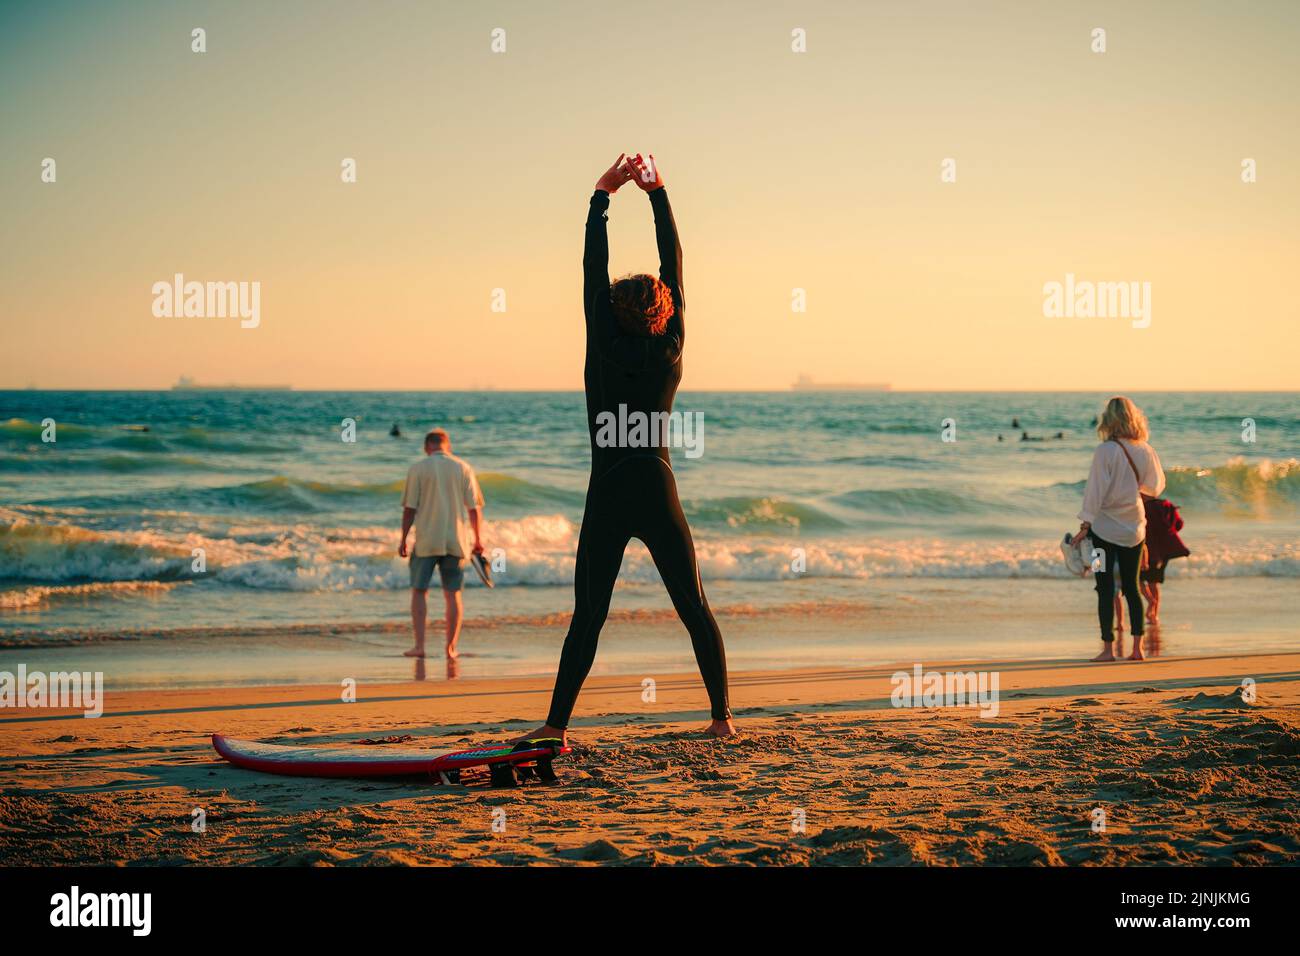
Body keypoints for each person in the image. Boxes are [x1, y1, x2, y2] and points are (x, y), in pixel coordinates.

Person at [519, 153, 734, 744]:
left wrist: (601, 196)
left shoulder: (602, 342)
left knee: (587, 617)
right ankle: (721, 720)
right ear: (667, 311)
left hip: (610, 492)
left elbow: (594, 268)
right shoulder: (672, 346)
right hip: (658, 488)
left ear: (609, 312)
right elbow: (676, 267)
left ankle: (555, 727)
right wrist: (657, 193)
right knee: (693, 605)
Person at [1071, 397, 1165, 662]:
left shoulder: (1105, 451)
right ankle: (1138, 649)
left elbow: (1095, 492)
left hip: (1102, 532)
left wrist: (1085, 524)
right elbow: (1155, 487)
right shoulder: (1145, 450)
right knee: (1133, 587)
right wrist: (1131, 495)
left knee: (1104, 587)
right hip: (1134, 529)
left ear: (1108, 419)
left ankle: (1108, 649)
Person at [398, 428, 485, 660]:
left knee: (419, 591)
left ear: (427, 447)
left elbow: (409, 509)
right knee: (453, 594)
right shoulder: (463, 467)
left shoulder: (418, 468)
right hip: (456, 541)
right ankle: (450, 648)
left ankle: (419, 646)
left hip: (426, 540)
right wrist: (478, 540)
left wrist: (403, 538)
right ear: (448, 445)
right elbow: (474, 510)